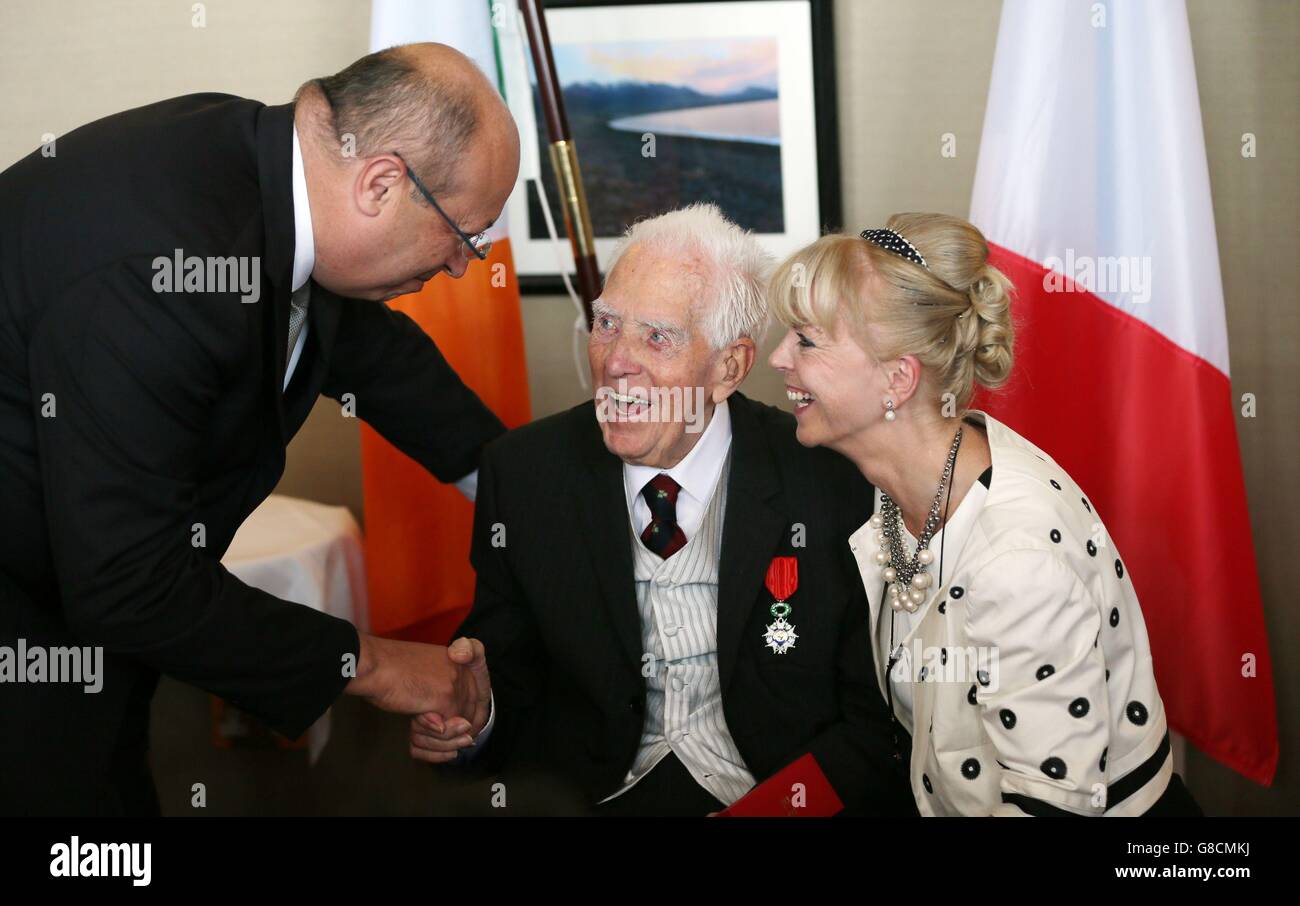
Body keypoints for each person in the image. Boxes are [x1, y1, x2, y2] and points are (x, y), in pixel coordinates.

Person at [0, 43, 514, 815]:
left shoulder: (269, 167)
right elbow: (130, 585)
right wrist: (373, 664)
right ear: (381, 183)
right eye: (464, 238)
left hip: (81, 581)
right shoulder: (155, 266)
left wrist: (520, 487)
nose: (459, 270)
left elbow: (377, 358)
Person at [408, 204, 914, 816]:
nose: (616, 361)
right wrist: (473, 717)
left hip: (775, 800)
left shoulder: (832, 481)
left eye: (658, 336)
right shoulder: (523, 472)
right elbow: (510, 676)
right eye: (607, 325)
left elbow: (878, 719)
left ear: (730, 367)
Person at [766, 214, 1201, 816]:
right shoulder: (899, 481)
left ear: (897, 379)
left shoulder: (1015, 559)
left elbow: (1053, 809)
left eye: (806, 340)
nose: (778, 358)